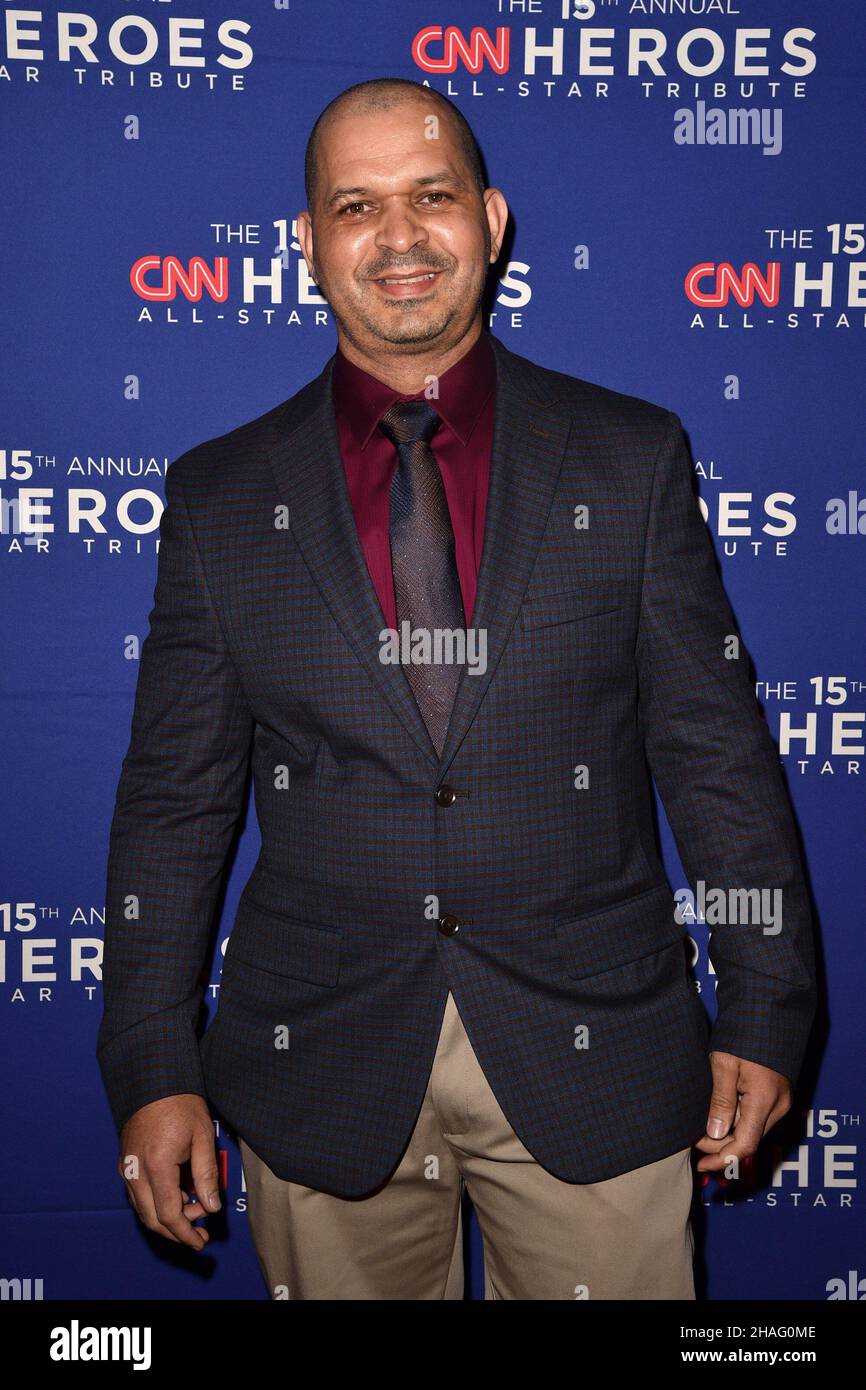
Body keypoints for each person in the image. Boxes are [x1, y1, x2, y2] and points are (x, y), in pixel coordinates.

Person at [97, 78, 817, 1300]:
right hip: (318, 1060)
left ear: (488, 220)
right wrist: (152, 1059)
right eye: (355, 205)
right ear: (307, 246)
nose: (398, 236)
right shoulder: (220, 499)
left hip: (595, 1046)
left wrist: (763, 996)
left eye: (429, 196)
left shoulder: (629, 458)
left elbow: (715, 757)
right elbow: (175, 803)